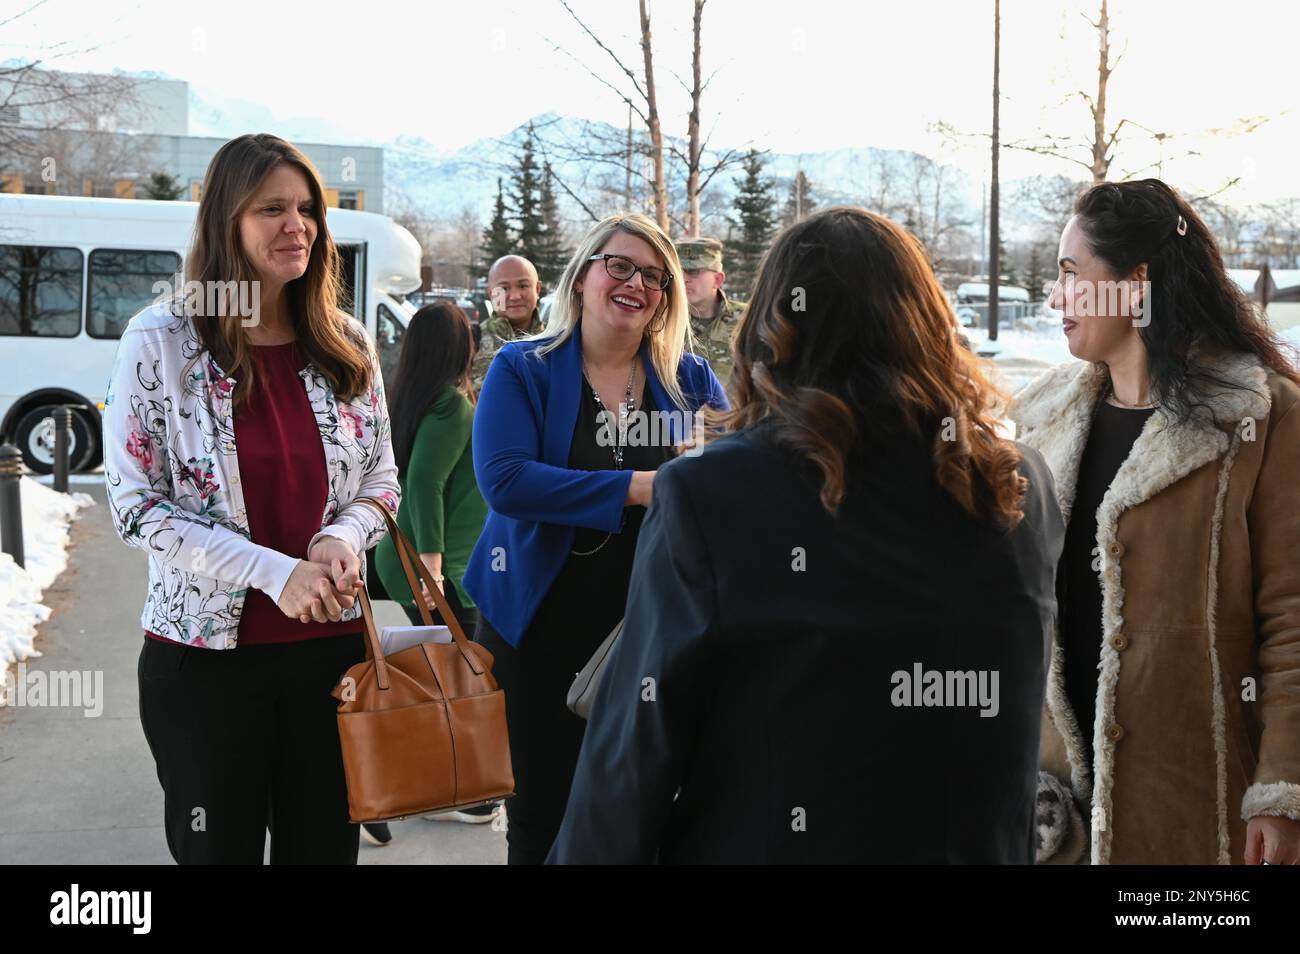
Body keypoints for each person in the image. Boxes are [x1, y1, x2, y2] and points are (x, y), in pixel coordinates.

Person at [548, 206, 1064, 864]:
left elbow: (626, 769)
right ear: (931, 323)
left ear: (773, 326)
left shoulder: (713, 494)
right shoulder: (1020, 486)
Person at [103, 133, 399, 864]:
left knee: (323, 854)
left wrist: (342, 538)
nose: (296, 224)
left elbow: (382, 481)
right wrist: (276, 572)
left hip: (332, 661)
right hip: (205, 666)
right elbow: (135, 505)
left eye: (306, 209)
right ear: (226, 221)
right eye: (272, 208)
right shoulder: (162, 340)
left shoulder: (347, 343)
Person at [1012, 179, 1300, 865]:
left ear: (1134, 285)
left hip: (1199, 812)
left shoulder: (1261, 418)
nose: (1056, 298)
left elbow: (1293, 615)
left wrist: (1282, 792)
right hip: (1060, 822)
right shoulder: (1042, 421)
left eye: (1071, 275)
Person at [463, 212, 729, 864]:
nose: (636, 282)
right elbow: (506, 480)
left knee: (641, 815)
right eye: (620, 265)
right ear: (584, 275)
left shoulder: (690, 382)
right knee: (542, 819)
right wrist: (638, 488)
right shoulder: (523, 368)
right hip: (536, 631)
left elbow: (728, 480)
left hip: (650, 631)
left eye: (655, 275)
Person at [369, 301, 498, 838]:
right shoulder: (449, 404)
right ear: (461, 346)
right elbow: (424, 484)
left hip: (432, 565)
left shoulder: (418, 398)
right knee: (448, 681)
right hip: (437, 569)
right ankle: (420, 789)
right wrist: (432, 568)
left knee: (438, 679)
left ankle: (417, 785)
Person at [676, 237, 745, 388]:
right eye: (677, 271)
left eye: (693, 272)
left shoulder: (747, 320)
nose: (683, 279)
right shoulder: (662, 322)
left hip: (735, 411)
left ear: (718, 279)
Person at [470, 254, 544, 391]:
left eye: (523, 286)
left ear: (537, 289)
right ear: (491, 293)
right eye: (504, 288)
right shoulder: (470, 342)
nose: (515, 296)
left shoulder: (556, 342)